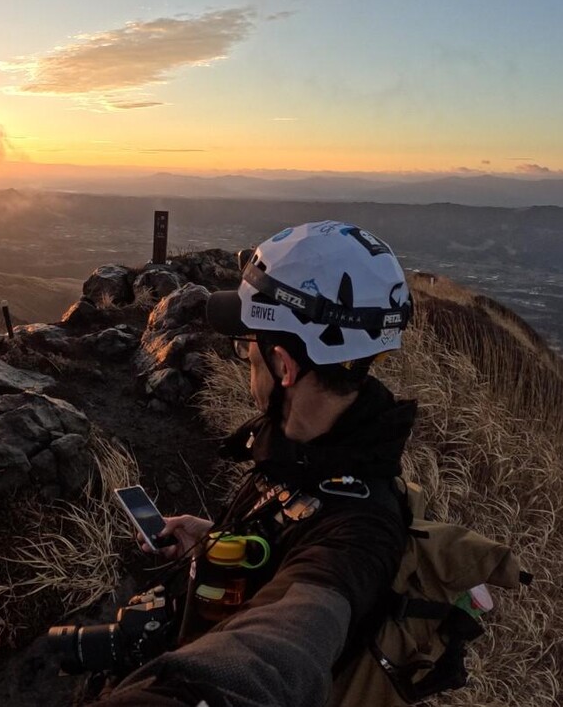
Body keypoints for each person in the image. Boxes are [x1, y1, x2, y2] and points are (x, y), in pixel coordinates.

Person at [105, 221, 418, 707]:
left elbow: (290, 639)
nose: (244, 354)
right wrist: (213, 543)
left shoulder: (361, 532)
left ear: (285, 367)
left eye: (248, 345)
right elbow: (294, 548)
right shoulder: (310, 451)